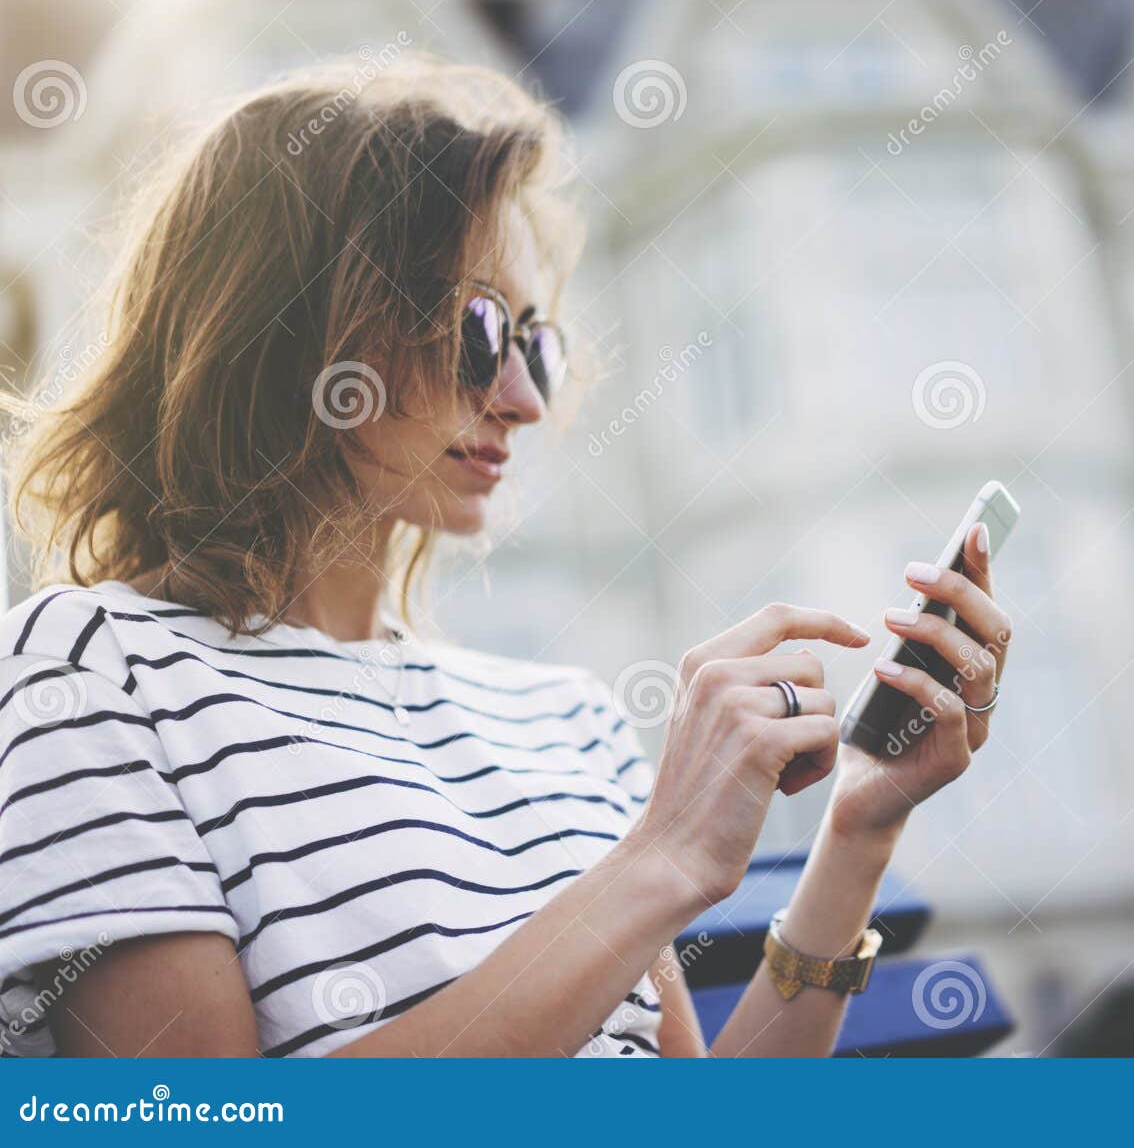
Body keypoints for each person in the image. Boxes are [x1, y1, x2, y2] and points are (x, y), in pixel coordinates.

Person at [0, 58, 1012, 1058]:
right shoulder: (92, 673)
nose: (525, 399)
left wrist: (859, 829)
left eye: (536, 340)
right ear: (296, 325)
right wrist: (659, 859)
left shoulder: (563, 719)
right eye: (477, 327)